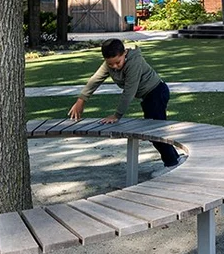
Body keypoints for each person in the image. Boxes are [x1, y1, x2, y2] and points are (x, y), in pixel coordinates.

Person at [68, 39, 182, 173]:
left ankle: (171, 163)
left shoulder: (134, 62)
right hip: (148, 97)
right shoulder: (108, 65)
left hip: (156, 93)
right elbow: (95, 80)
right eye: (111, 64)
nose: (115, 66)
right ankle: (175, 159)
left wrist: (117, 115)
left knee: (154, 132)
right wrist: (81, 100)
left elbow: (130, 91)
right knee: (154, 132)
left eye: (118, 62)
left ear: (125, 53)